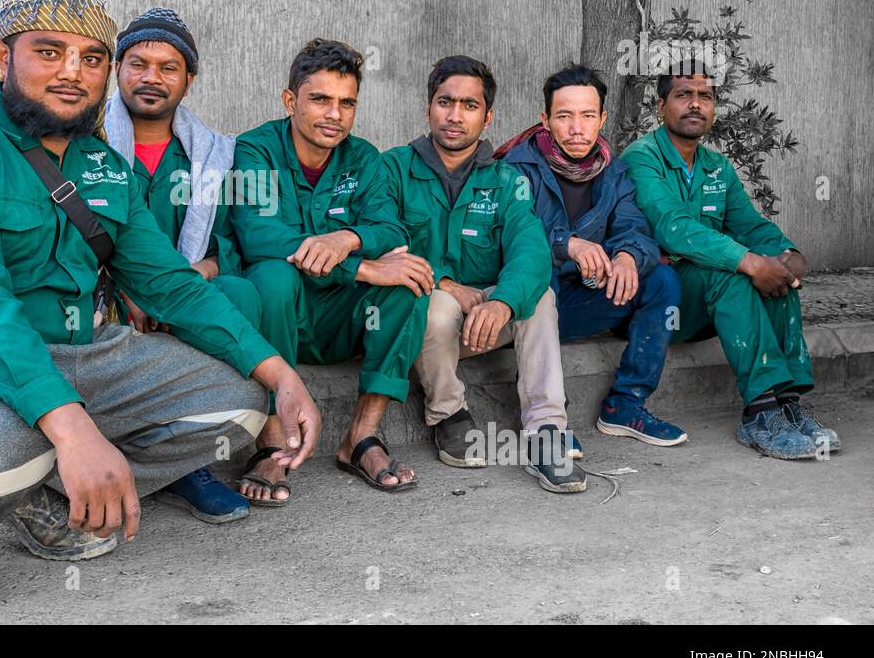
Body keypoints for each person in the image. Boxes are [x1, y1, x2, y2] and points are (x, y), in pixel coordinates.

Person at [0, 0, 320, 609]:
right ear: (2, 56)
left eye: (91, 58)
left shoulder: (103, 166)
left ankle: (41, 493)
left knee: (236, 403)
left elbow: (169, 285)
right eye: (49, 51)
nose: (72, 73)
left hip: (71, 348)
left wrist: (282, 374)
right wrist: (72, 433)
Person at [230, 38, 433, 501]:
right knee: (271, 274)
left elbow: (386, 224)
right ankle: (271, 442)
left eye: (347, 103)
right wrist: (363, 270)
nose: (334, 115)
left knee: (410, 279)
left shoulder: (363, 158)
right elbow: (259, 236)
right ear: (290, 100)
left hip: (341, 320)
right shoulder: (256, 150)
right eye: (320, 99)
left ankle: (360, 436)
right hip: (281, 318)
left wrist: (347, 239)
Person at [379, 55, 587, 493]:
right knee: (430, 302)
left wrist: (502, 301)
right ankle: (448, 414)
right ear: (428, 108)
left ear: (487, 116)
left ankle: (546, 430)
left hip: (484, 320)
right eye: (445, 102)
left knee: (540, 295)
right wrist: (446, 283)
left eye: (469, 106)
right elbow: (384, 241)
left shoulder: (508, 181)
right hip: (426, 322)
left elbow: (531, 252)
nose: (455, 116)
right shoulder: (393, 168)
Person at [621, 67, 839, 460]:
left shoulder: (716, 167)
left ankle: (788, 403)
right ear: (661, 106)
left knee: (777, 277)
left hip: (705, 296)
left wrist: (788, 254)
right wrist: (749, 262)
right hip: (659, 298)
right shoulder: (642, 158)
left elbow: (748, 224)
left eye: (704, 97)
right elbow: (672, 228)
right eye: (684, 95)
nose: (695, 104)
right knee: (741, 277)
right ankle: (759, 413)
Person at [104, 6, 259, 523]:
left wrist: (190, 279)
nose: (152, 78)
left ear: (188, 81)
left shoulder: (216, 156)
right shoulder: (84, 144)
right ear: (116, 69)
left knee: (239, 297)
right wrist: (131, 290)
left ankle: (187, 464)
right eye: (138, 63)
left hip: (184, 291)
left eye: (168, 67)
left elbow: (235, 240)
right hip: (105, 297)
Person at [498, 64, 684, 446]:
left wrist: (628, 257)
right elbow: (511, 236)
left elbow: (635, 229)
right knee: (537, 273)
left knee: (662, 280)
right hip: (524, 310)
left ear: (602, 118)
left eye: (587, 116)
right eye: (564, 116)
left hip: (577, 303)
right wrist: (568, 244)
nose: (576, 128)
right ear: (545, 119)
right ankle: (549, 418)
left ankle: (626, 405)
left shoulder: (613, 173)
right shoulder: (516, 168)